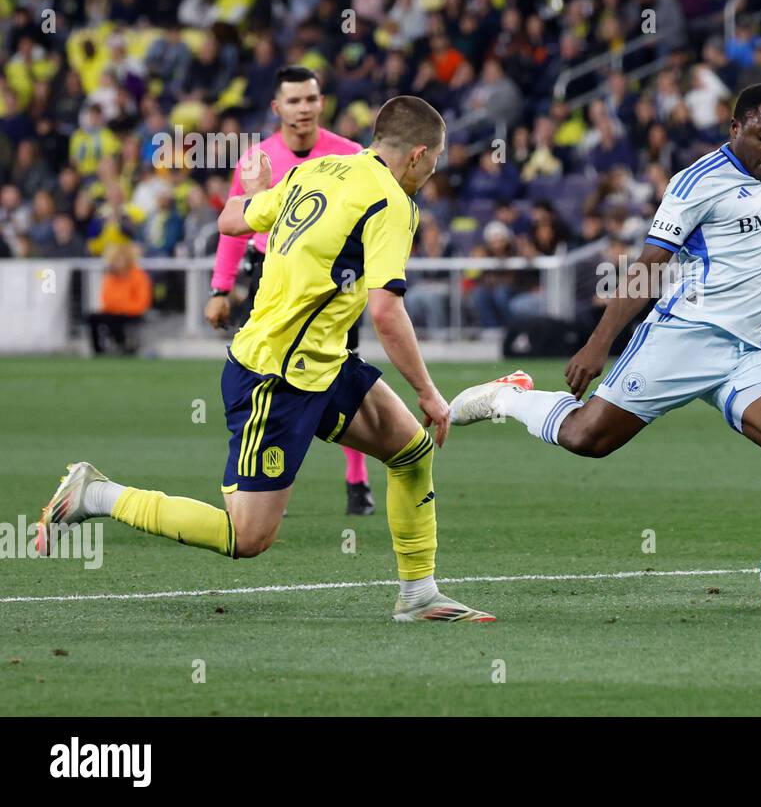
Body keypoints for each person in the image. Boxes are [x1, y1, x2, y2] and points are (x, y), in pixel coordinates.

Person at [448, 74, 761, 610]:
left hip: (751, 351)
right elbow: (646, 269)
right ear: (734, 129)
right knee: (587, 437)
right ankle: (509, 396)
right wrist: (598, 344)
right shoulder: (696, 184)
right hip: (683, 339)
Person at [37, 96, 494, 623]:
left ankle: (419, 595)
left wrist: (258, 195)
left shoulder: (318, 170)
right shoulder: (391, 203)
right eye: (436, 159)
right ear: (417, 154)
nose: (436, 170)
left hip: (323, 363)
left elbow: (233, 219)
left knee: (410, 451)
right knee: (247, 537)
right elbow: (386, 312)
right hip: (273, 377)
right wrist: (429, 394)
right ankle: (96, 494)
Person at [203, 65, 376, 515]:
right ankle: (249, 480)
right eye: (294, 100)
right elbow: (234, 226)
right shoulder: (256, 160)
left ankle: (356, 481)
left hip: (333, 281)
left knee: (340, 370)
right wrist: (220, 288)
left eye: (311, 99)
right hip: (272, 275)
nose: (304, 108)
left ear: (322, 103)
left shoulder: (351, 155)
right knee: (264, 375)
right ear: (276, 107)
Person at [87, 242, 152, 355]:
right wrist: (118, 307)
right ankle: (98, 351)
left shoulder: (138, 276)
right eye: (116, 260)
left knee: (116, 320)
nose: (118, 263)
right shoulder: (110, 277)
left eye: (121, 260)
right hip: (114, 312)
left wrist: (121, 307)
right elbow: (106, 299)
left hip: (131, 313)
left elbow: (142, 303)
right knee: (93, 317)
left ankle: (124, 346)